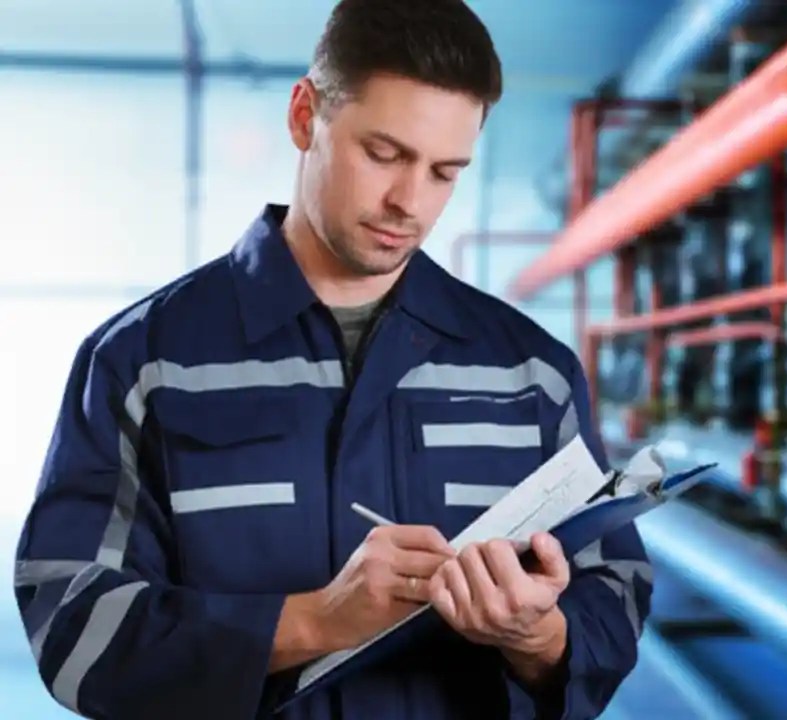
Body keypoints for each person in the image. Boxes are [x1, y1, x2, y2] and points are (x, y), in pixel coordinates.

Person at [11, 0, 652, 718]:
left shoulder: (531, 372)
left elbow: (613, 591)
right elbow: (71, 622)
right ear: (303, 116)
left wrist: (537, 635)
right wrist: (312, 620)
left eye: (445, 172)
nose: (410, 201)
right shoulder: (144, 363)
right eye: (384, 153)